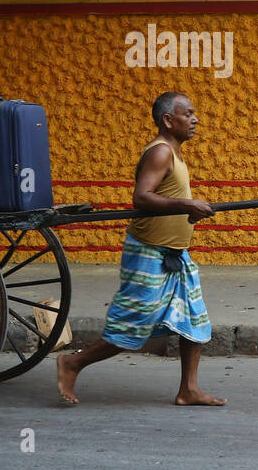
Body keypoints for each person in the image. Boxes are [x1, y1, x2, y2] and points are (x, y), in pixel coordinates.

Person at [57, 91, 226, 406]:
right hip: (149, 252)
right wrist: (185, 203)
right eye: (187, 113)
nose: (195, 119)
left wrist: (185, 210)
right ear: (167, 119)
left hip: (175, 255)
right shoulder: (160, 152)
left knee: (194, 319)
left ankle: (188, 389)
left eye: (193, 113)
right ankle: (73, 363)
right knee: (133, 323)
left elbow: (165, 199)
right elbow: (142, 197)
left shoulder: (173, 154)